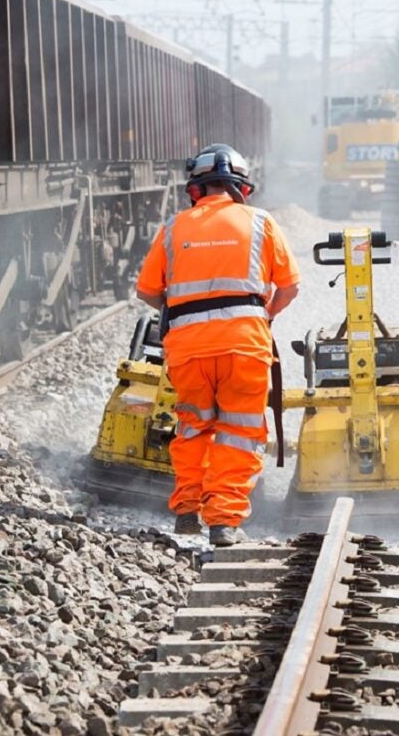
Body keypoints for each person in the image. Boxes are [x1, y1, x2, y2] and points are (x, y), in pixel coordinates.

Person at [135, 144, 300, 546]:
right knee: (239, 431)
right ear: (242, 188)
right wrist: (263, 316)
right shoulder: (261, 223)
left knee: (193, 426)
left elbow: (147, 292)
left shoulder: (174, 228)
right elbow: (290, 287)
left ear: (196, 189)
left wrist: (183, 309)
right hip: (245, 345)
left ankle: (188, 510)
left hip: (188, 349)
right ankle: (223, 522)